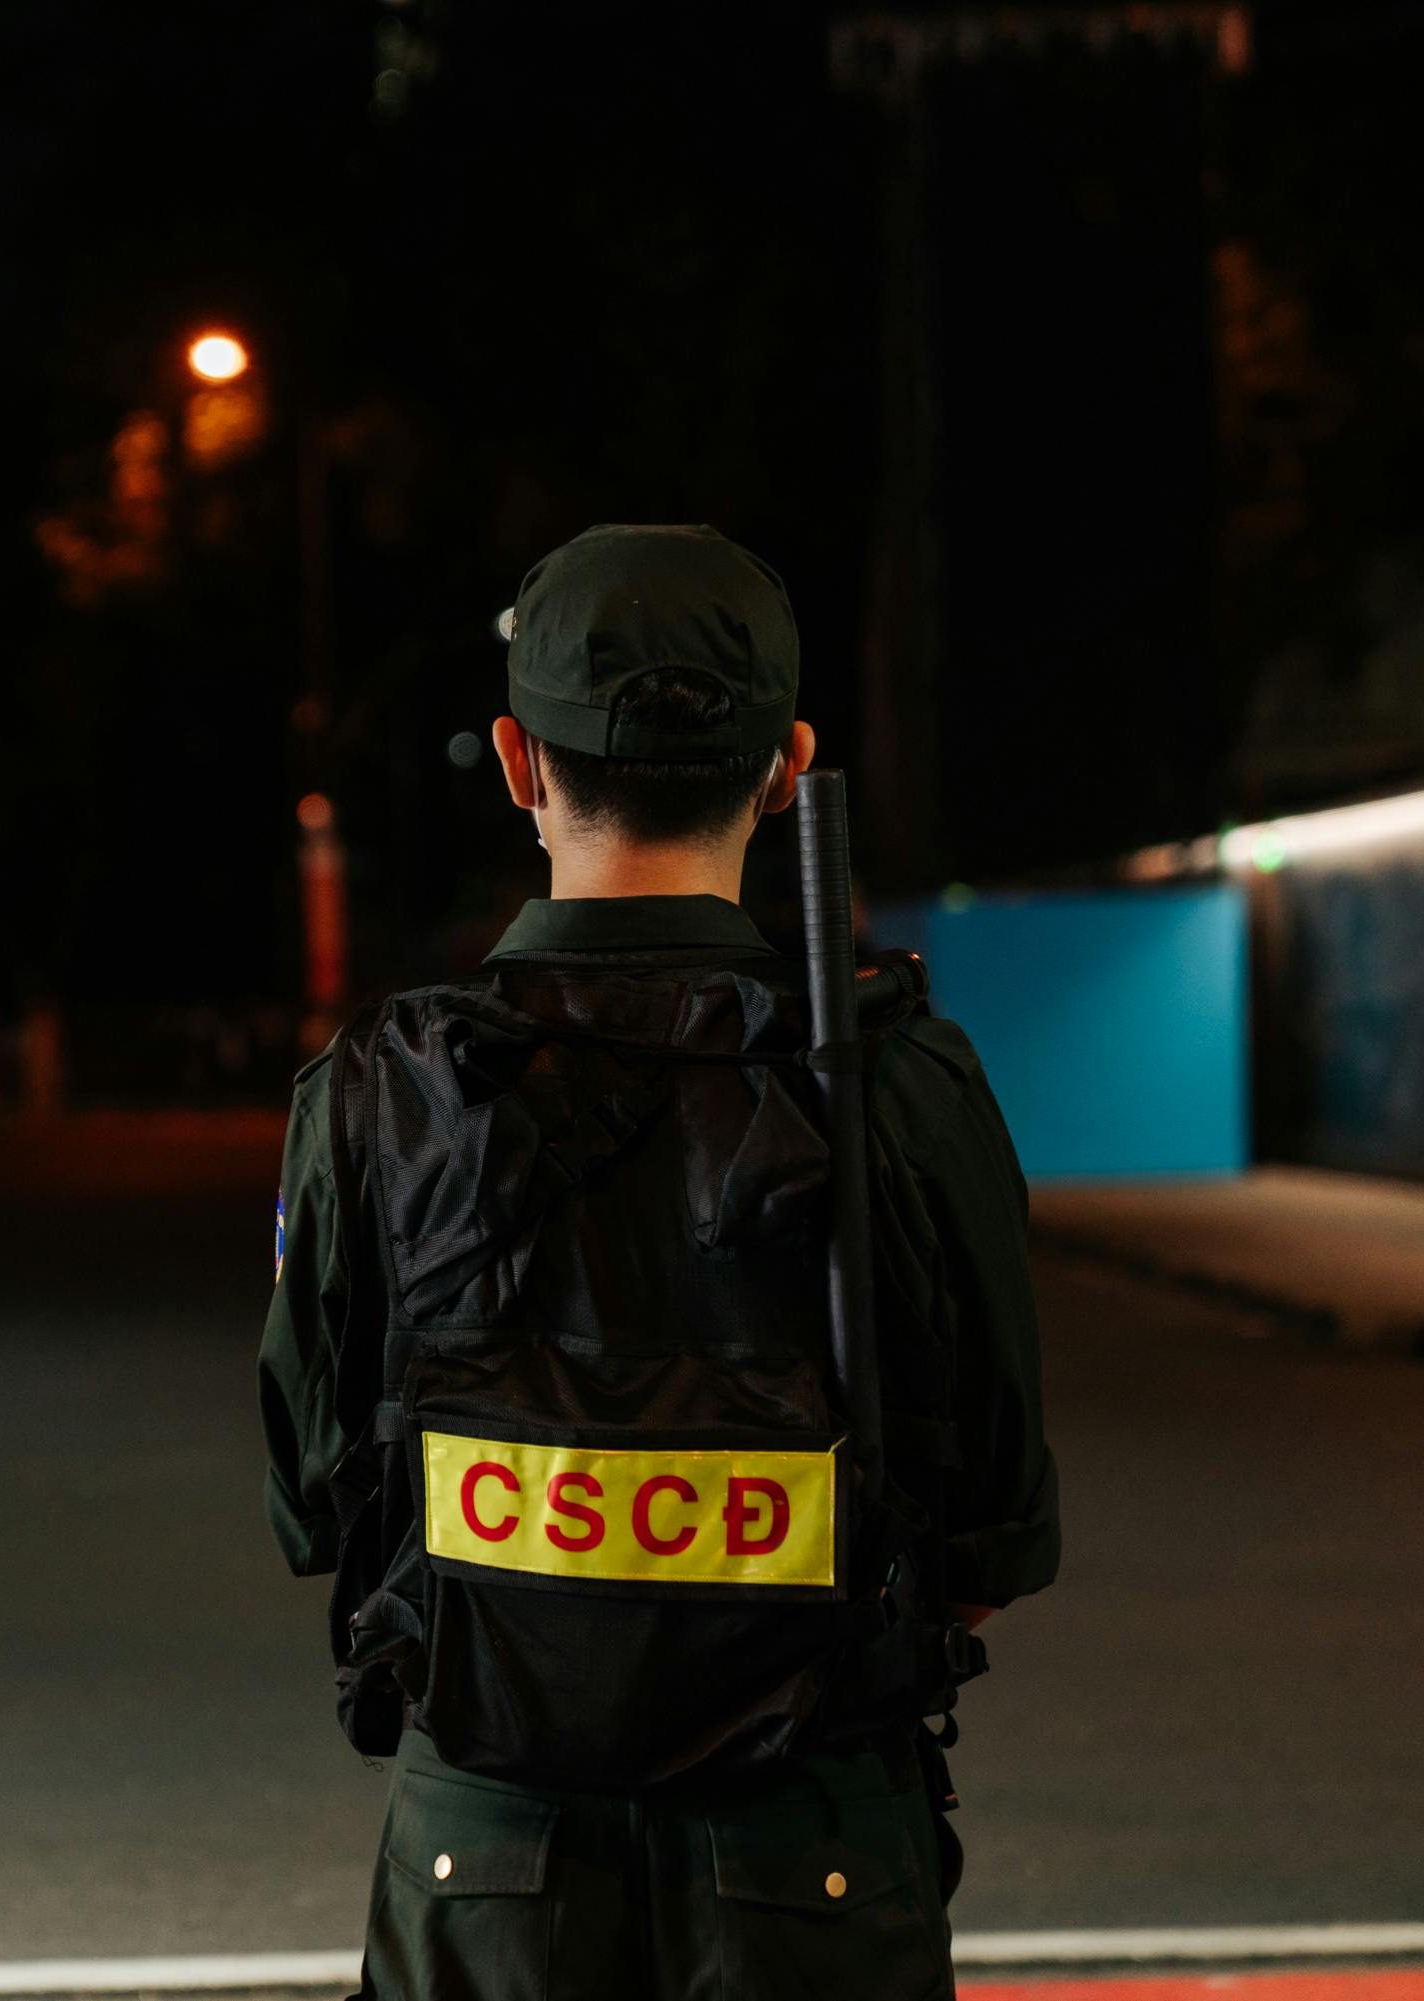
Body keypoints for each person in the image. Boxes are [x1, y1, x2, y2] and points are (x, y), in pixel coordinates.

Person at [258, 525, 1059, 1999]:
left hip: (484, 1873)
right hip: (814, 1866)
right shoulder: (904, 1081)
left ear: (516, 759)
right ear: (786, 762)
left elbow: (321, 1502)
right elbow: (990, 1546)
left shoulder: (377, 1090)